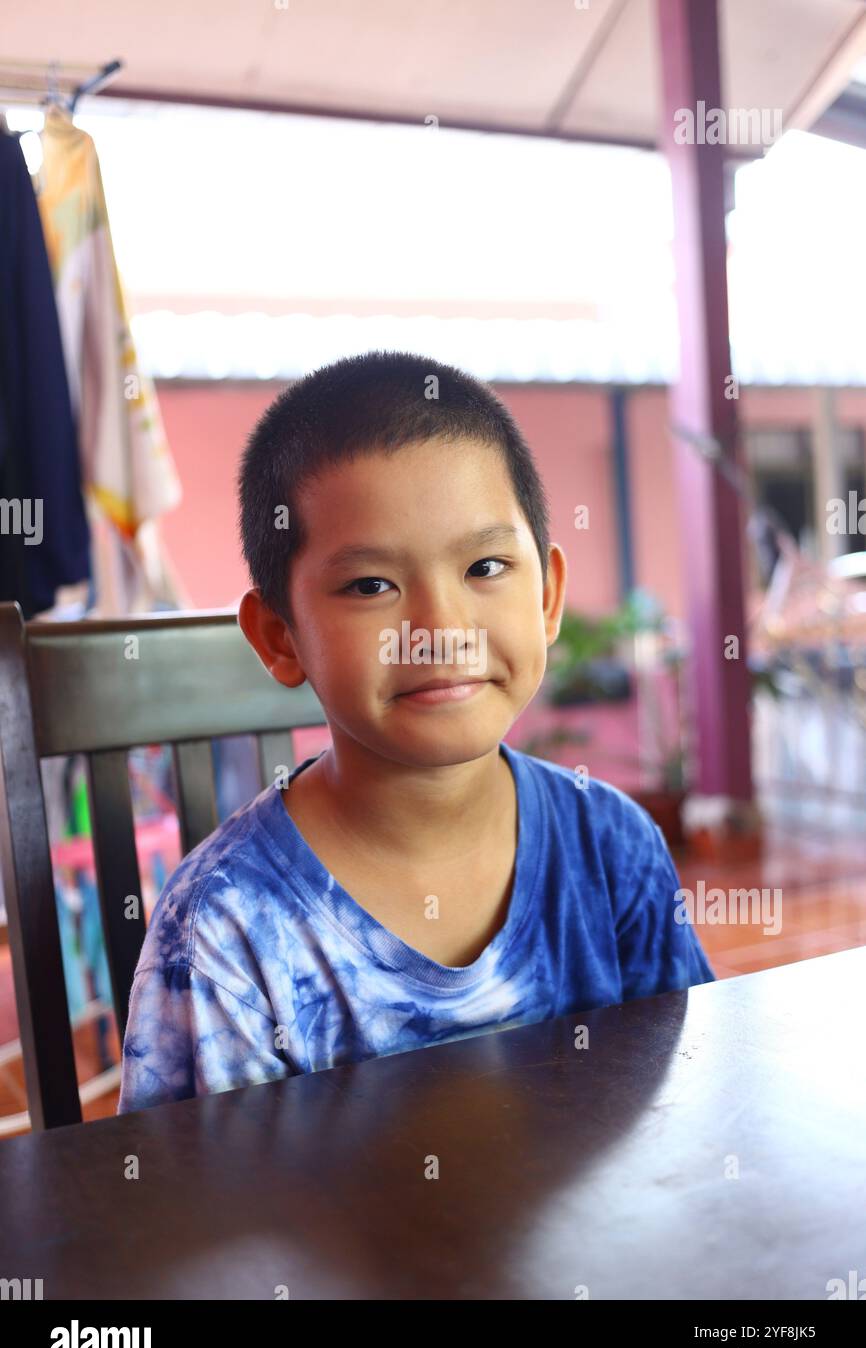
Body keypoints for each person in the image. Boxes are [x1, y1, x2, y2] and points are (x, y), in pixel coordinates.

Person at [117, 350, 714, 1114]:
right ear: (279, 637)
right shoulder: (226, 929)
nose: (440, 630)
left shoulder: (611, 848)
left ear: (549, 596)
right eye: (372, 585)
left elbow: (690, 1111)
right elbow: (202, 1218)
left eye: (486, 567)